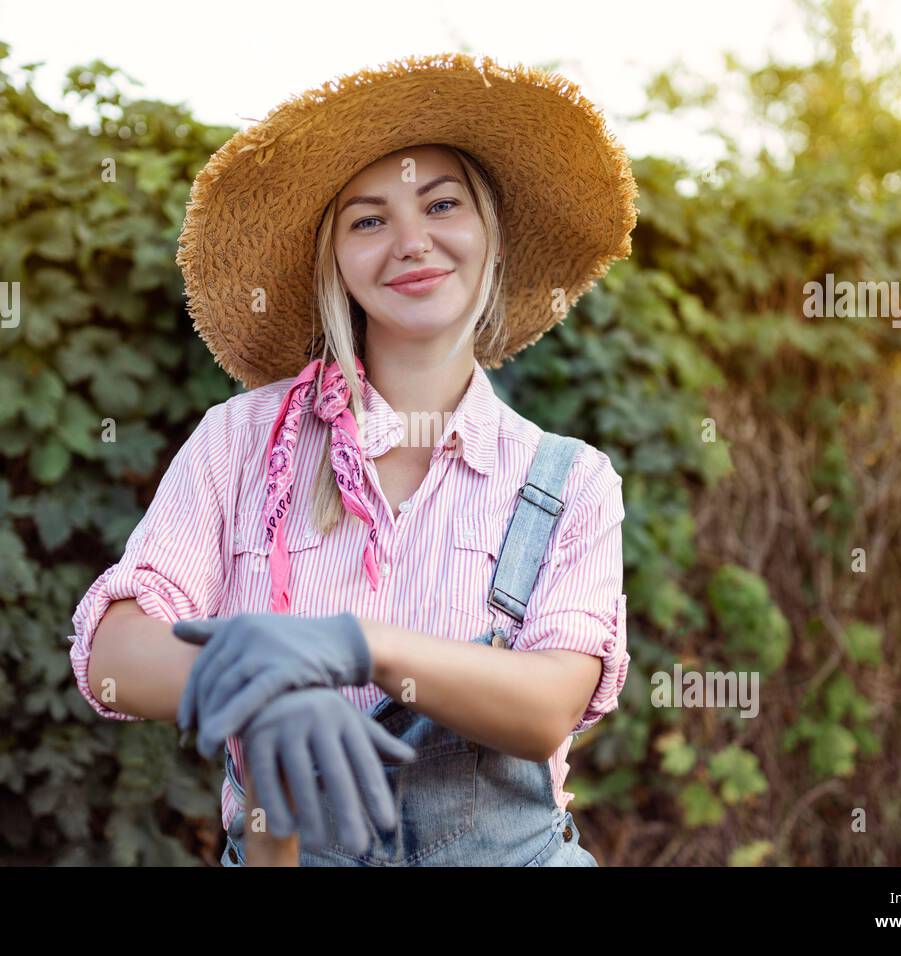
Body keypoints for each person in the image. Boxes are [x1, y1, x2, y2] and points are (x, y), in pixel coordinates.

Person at [68, 52, 637, 866]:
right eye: (367, 220)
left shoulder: (570, 480)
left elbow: (548, 704)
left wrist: (362, 645)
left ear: (489, 234)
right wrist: (258, 689)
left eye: (442, 204)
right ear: (333, 258)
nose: (412, 242)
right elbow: (112, 654)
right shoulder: (241, 441)